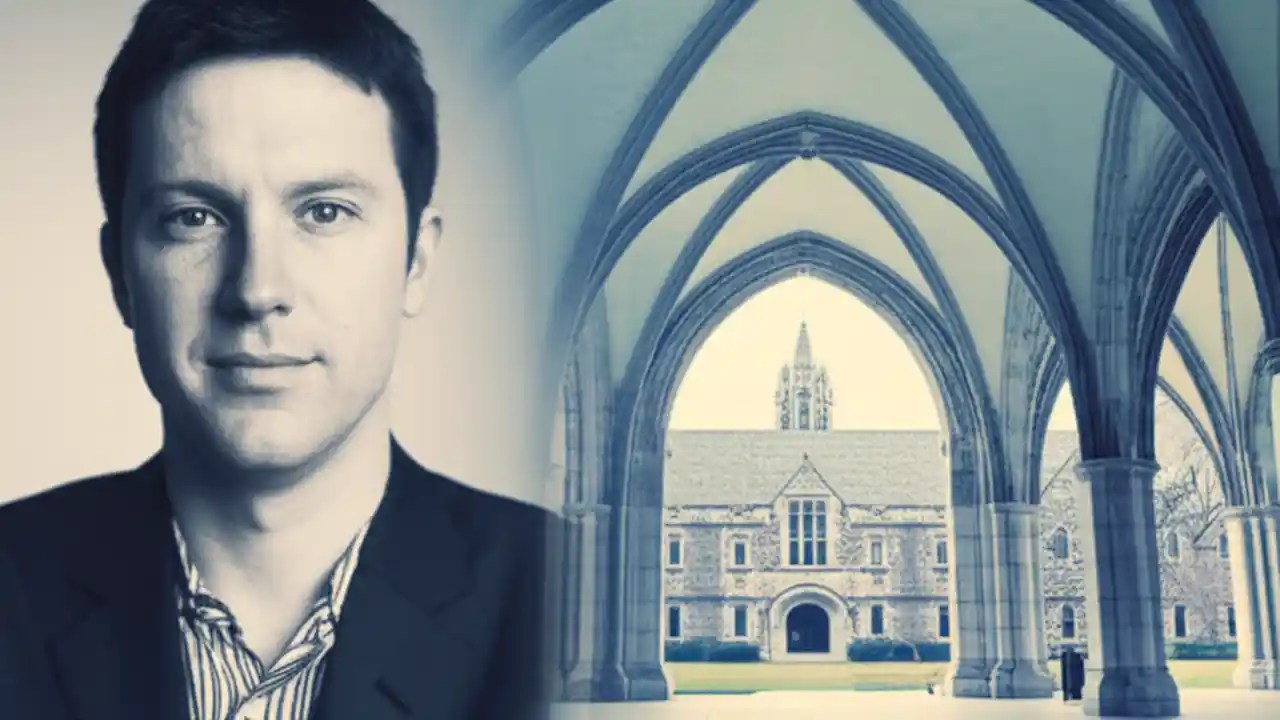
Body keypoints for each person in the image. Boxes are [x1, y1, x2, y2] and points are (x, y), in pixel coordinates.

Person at [0, 1, 553, 718]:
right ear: (119, 274)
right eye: (193, 217)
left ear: (416, 260)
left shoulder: (560, 593)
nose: (258, 289)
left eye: (323, 211)